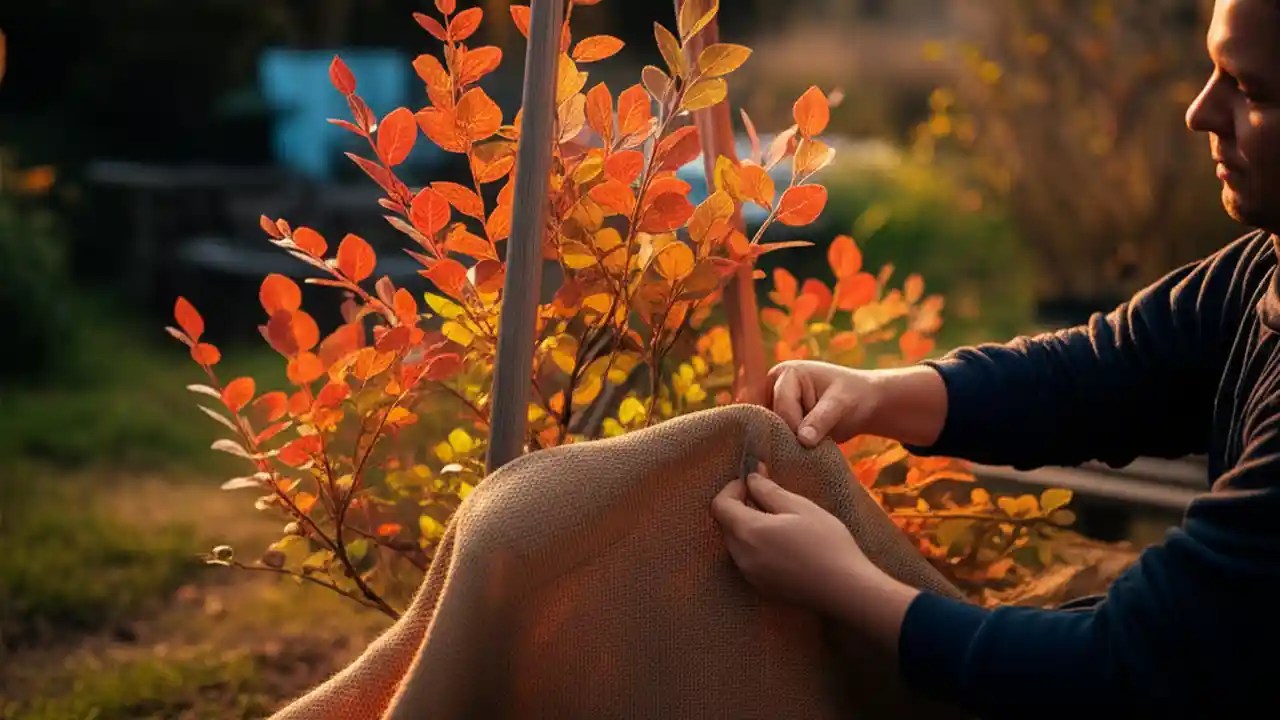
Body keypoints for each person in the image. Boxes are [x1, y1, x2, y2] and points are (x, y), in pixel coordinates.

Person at [711, 0, 1280, 717]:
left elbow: (1119, 667)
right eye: (1212, 70)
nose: (1201, 111)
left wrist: (844, 584)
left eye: (1252, 91)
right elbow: (1102, 372)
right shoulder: (1259, 272)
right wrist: (878, 393)